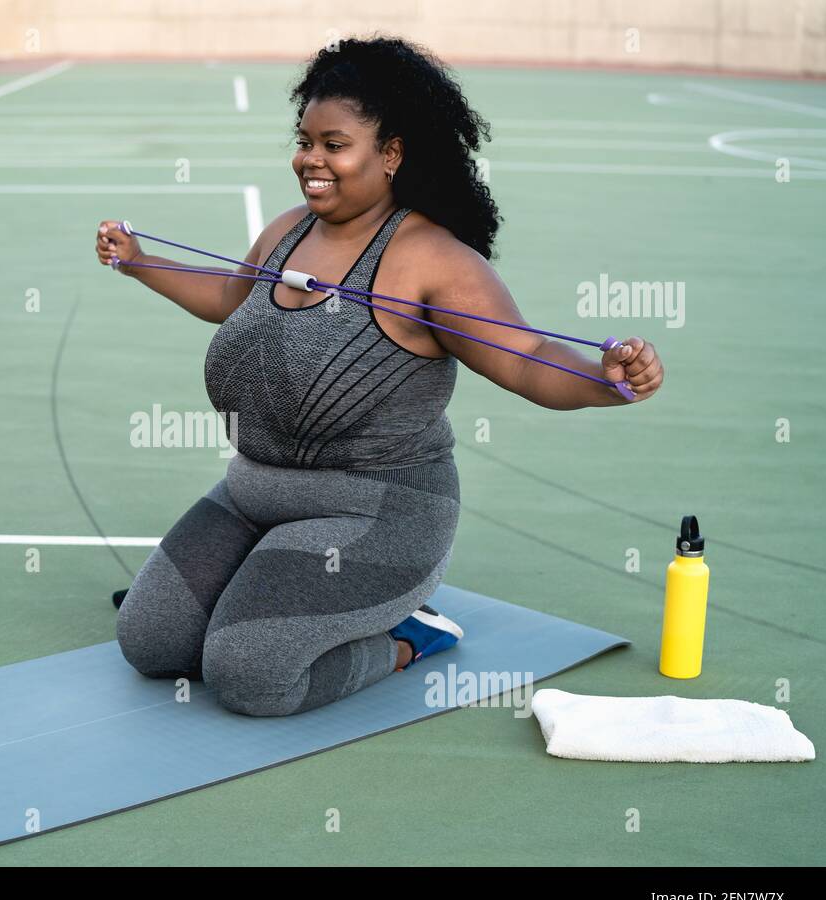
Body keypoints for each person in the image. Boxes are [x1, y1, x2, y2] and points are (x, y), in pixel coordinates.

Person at [94, 35, 662, 717]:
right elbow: (227, 298)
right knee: (151, 643)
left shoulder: (431, 260)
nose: (310, 160)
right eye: (305, 141)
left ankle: (408, 636)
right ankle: (259, 591)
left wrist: (608, 380)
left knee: (249, 675)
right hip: (253, 495)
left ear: (390, 153)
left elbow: (522, 358)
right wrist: (138, 261)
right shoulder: (287, 233)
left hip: (375, 513)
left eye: (335, 145)